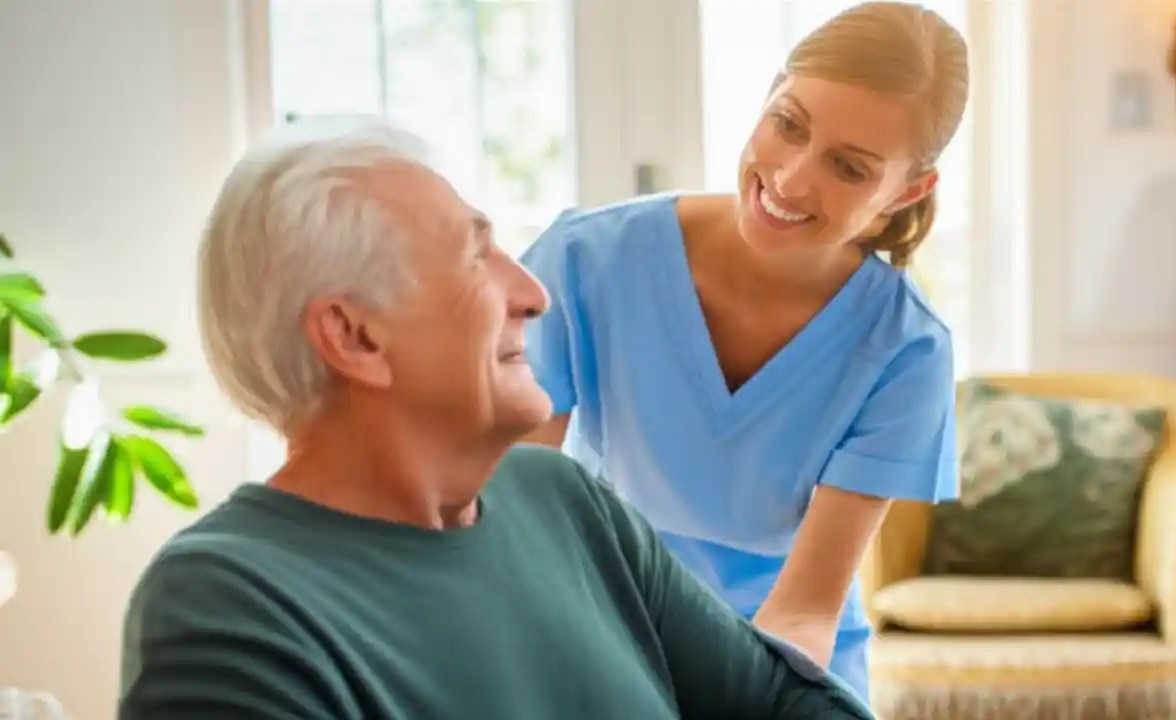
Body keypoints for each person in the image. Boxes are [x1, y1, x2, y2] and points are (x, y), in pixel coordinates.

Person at [116, 123, 873, 720]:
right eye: (476, 258)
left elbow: (783, 703)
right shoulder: (224, 605)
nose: (534, 293)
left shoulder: (563, 501)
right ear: (353, 336)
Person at [520, 1, 969, 696]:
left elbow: (807, 607)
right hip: (603, 622)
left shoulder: (907, 352)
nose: (790, 179)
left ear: (908, 190)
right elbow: (509, 511)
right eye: (788, 125)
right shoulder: (584, 261)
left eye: (848, 168)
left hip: (782, 663)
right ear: (767, 97)